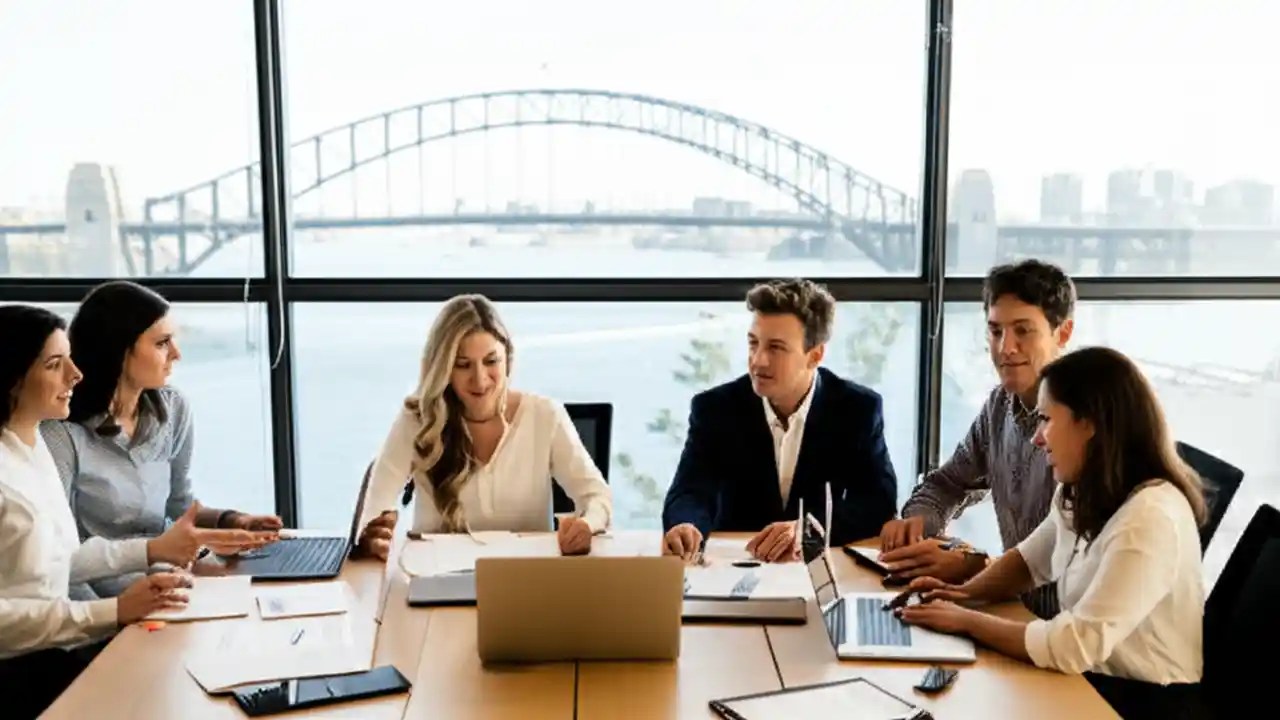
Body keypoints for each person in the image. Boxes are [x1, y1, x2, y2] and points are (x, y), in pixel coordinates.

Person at [893, 347, 1209, 719]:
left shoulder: (1149, 517)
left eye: (1046, 419)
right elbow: (1029, 562)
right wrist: (961, 594)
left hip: (1141, 701)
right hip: (1090, 680)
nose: (1036, 438)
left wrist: (966, 620)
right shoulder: (1084, 489)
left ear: (1089, 423)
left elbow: (1075, 645)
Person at [0, 305, 267, 719]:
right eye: (55, 364)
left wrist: (154, 549)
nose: (76, 374)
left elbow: (65, 561)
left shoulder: (29, 448)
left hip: (52, 651)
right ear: (11, 379)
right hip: (20, 673)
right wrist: (113, 612)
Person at [41, 281, 280, 598]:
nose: (176, 354)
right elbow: (61, 558)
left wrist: (233, 521)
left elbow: (179, 506)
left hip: (170, 578)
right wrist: (101, 631)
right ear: (119, 349)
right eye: (162, 343)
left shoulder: (173, 408)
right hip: (106, 599)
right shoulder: (61, 432)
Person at [878, 259, 1075, 618]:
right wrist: (917, 527)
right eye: (995, 331)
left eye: (1023, 331)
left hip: (1058, 629)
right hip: (1011, 608)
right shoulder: (1000, 405)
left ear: (1062, 333)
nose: (1005, 348)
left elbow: (1069, 565)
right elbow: (947, 483)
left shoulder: (1083, 423)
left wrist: (972, 566)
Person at [355, 295, 612, 559]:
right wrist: (373, 537)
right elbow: (372, 516)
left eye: (491, 362)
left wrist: (586, 525)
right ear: (443, 368)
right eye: (463, 365)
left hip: (524, 578)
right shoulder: (418, 420)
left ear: (508, 360)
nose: (479, 379)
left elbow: (597, 497)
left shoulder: (545, 416)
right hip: (434, 580)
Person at [662, 279, 898, 561]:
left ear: (815, 355)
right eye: (753, 344)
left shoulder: (857, 409)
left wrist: (808, 529)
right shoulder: (715, 408)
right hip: (734, 566)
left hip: (815, 568)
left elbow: (877, 504)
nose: (758, 361)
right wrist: (685, 524)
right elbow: (689, 491)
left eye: (775, 348)